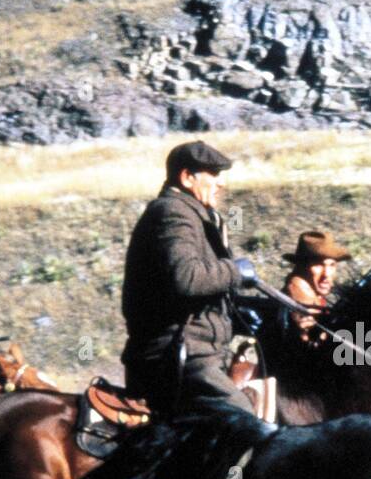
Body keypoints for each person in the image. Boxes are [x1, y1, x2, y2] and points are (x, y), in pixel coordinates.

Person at [121, 140, 261, 415]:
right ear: (187, 177)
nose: (220, 184)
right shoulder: (172, 212)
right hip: (175, 355)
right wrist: (236, 271)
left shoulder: (194, 215)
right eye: (214, 176)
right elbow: (186, 277)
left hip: (198, 350)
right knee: (244, 419)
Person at [280, 230, 353, 347]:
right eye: (318, 264)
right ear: (302, 267)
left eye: (332, 265)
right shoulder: (298, 293)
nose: (327, 274)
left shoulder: (314, 294)